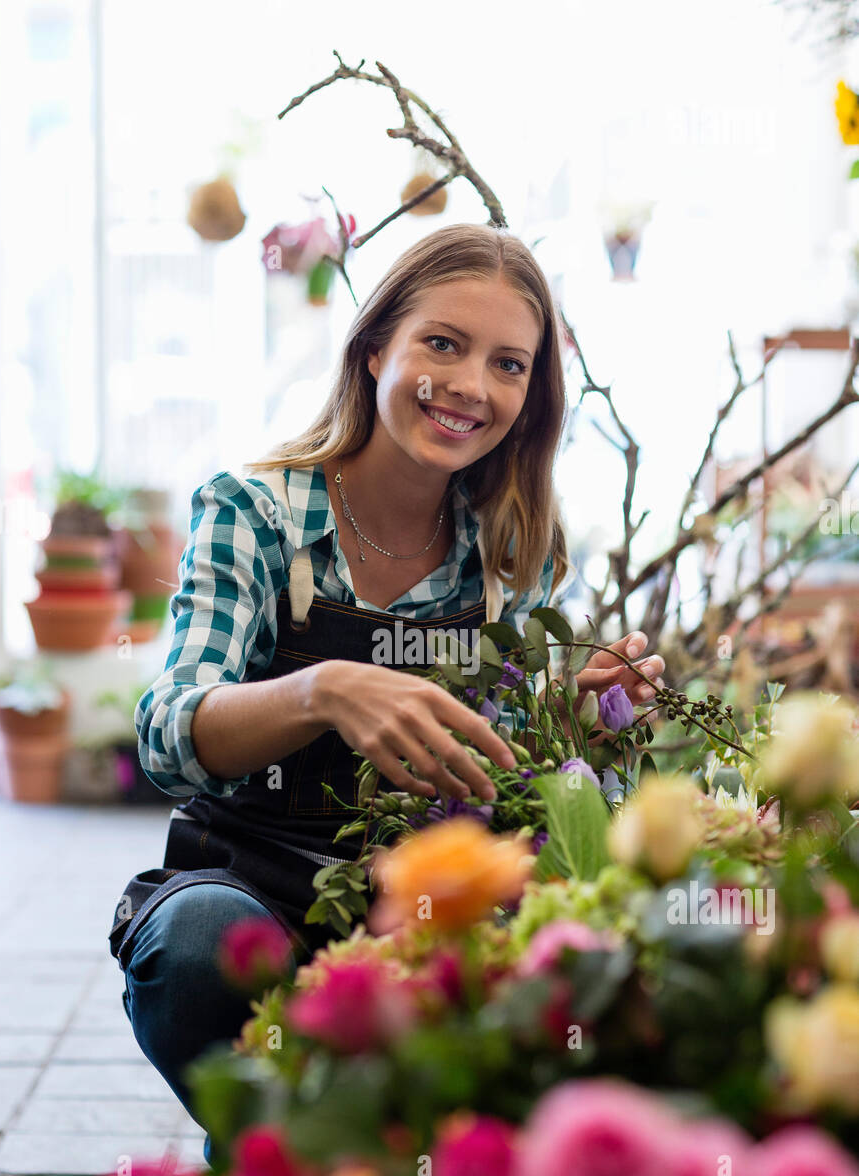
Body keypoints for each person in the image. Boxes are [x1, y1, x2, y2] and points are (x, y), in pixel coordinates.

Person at [108, 222, 665, 1129]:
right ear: (374, 350)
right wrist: (321, 688)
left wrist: (578, 715)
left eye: (509, 364)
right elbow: (168, 732)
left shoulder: (514, 554)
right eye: (443, 344)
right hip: (256, 887)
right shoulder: (256, 514)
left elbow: (509, 765)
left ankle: (397, 1172)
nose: (471, 387)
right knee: (198, 944)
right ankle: (268, 1148)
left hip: (433, 901)